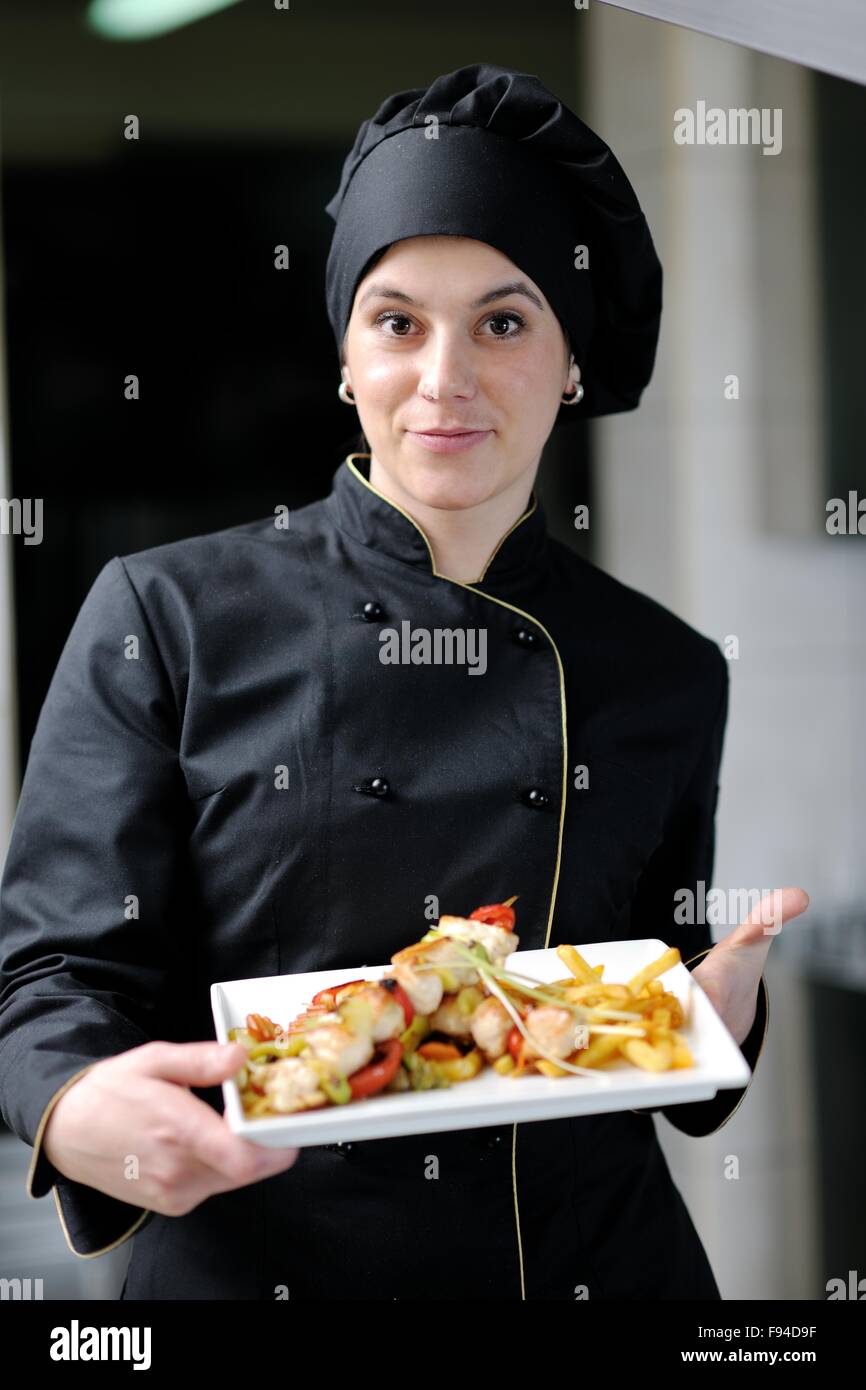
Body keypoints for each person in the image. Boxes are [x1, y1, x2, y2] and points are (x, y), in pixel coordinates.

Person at [0, 62, 808, 1300]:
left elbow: (662, 1011)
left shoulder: (664, 668)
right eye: (396, 321)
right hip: (253, 1263)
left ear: (572, 362)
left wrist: (722, 1015)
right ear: (343, 358)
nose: (444, 378)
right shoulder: (166, 615)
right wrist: (76, 1105)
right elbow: (51, 975)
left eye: (502, 320)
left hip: (583, 1266)